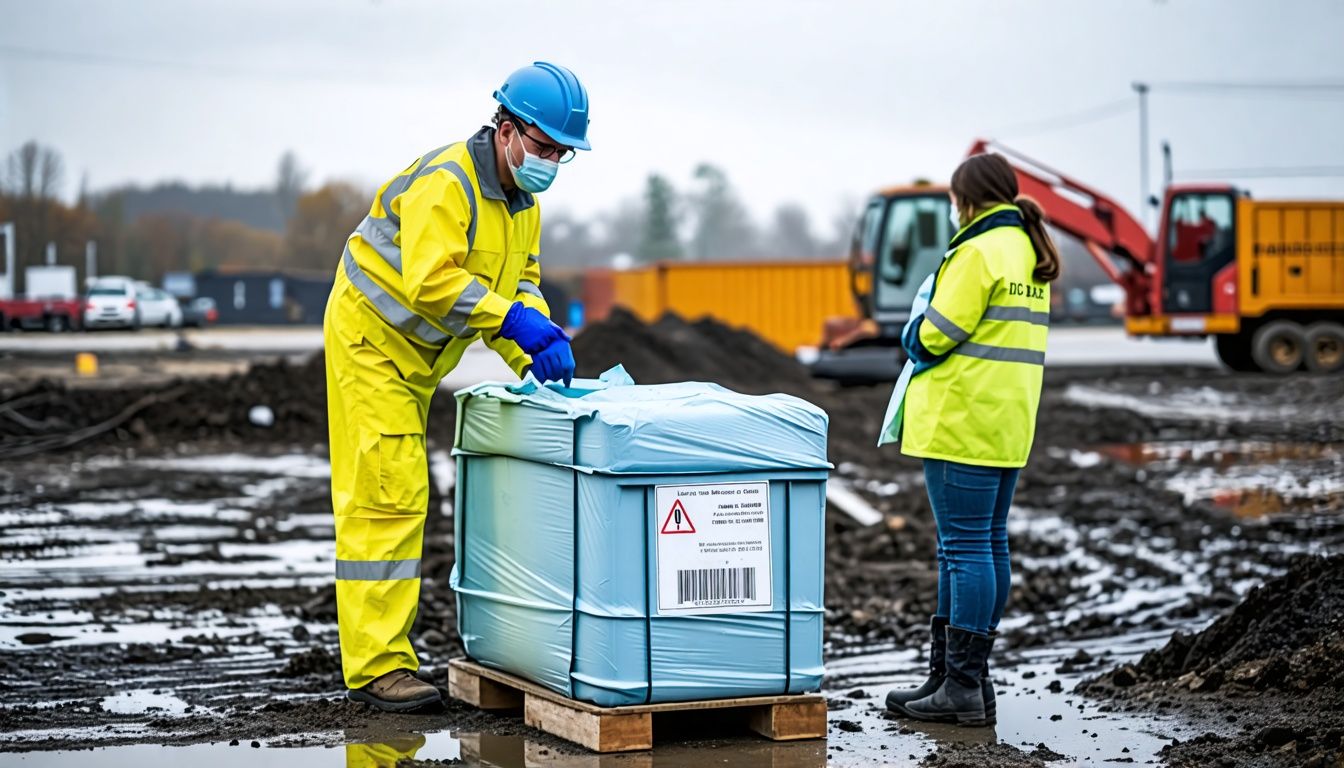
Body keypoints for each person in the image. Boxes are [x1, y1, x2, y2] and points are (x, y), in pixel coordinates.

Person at [323, 62, 590, 712]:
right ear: (505, 130)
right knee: (388, 495)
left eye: (562, 153)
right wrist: (514, 320)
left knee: (401, 490)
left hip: (420, 355)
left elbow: (513, 288)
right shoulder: (451, 182)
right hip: (374, 344)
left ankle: (390, 653)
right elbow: (434, 285)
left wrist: (533, 346)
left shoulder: (523, 205)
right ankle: (377, 669)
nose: (550, 161)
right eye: (544, 146)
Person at [880, 153, 1060, 726]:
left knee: (962, 549)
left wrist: (910, 329)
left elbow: (936, 336)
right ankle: (962, 681)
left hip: (961, 419)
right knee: (985, 545)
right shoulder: (1029, 250)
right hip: (1006, 420)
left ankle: (958, 686)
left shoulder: (977, 251)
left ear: (966, 199)